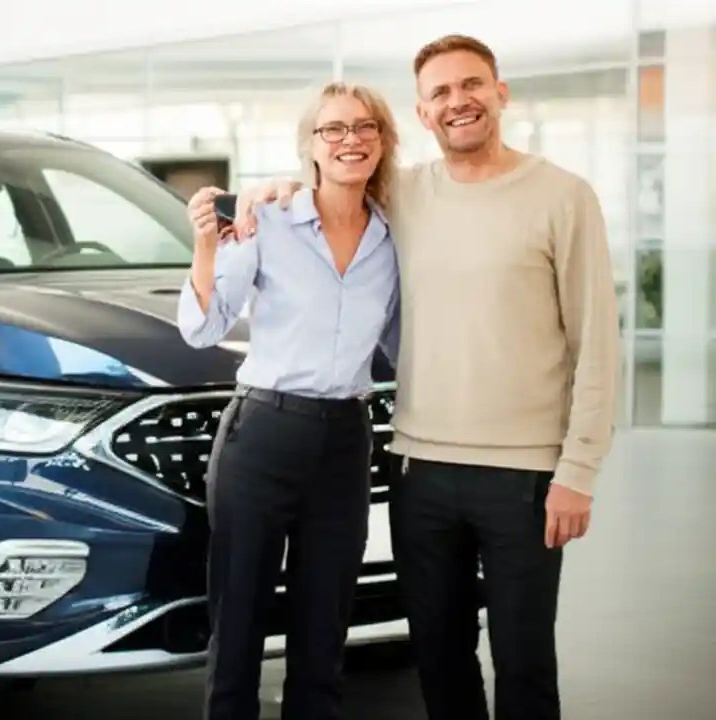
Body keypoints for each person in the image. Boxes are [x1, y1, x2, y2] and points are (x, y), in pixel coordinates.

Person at [229, 34, 621, 720]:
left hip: (524, 475)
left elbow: (597, 343)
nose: (457, 101)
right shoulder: (402, 196)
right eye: (440, 92)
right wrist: (270, 189)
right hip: (419, 469)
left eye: (471, 85)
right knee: (439, 661)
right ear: (421, 113)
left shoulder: (563, 196)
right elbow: (329, 184)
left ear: (500, 93)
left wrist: (578, 470)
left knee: (525, 663)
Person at [177, 81, 402, 720]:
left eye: (364, 126)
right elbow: (203, 328)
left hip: (346, 441)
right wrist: (206, 244)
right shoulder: (266, 221)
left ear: (382, 141)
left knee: (324, 631)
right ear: (311, 145)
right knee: (239, 625)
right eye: (333, 129)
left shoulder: (393, 239)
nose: (350, 140)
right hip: (263, 436)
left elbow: (404, 346)